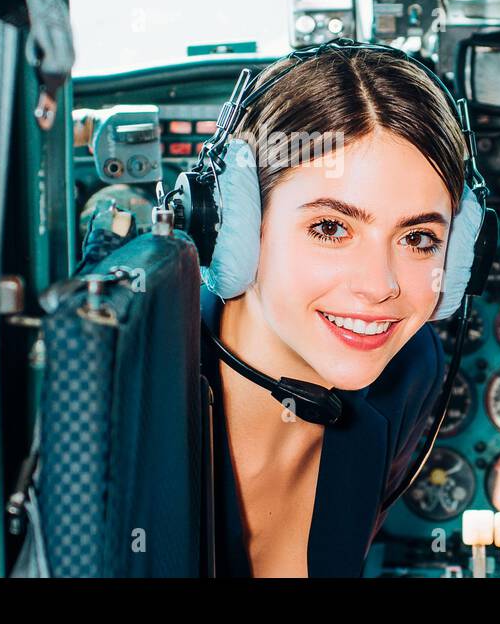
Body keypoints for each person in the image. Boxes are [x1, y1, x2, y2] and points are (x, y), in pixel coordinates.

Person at [196, 43, 484, 576]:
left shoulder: (409, 377)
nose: (379, 287)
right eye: (331, 228)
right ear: (234, 224)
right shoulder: (135, 394)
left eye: (419, 238)